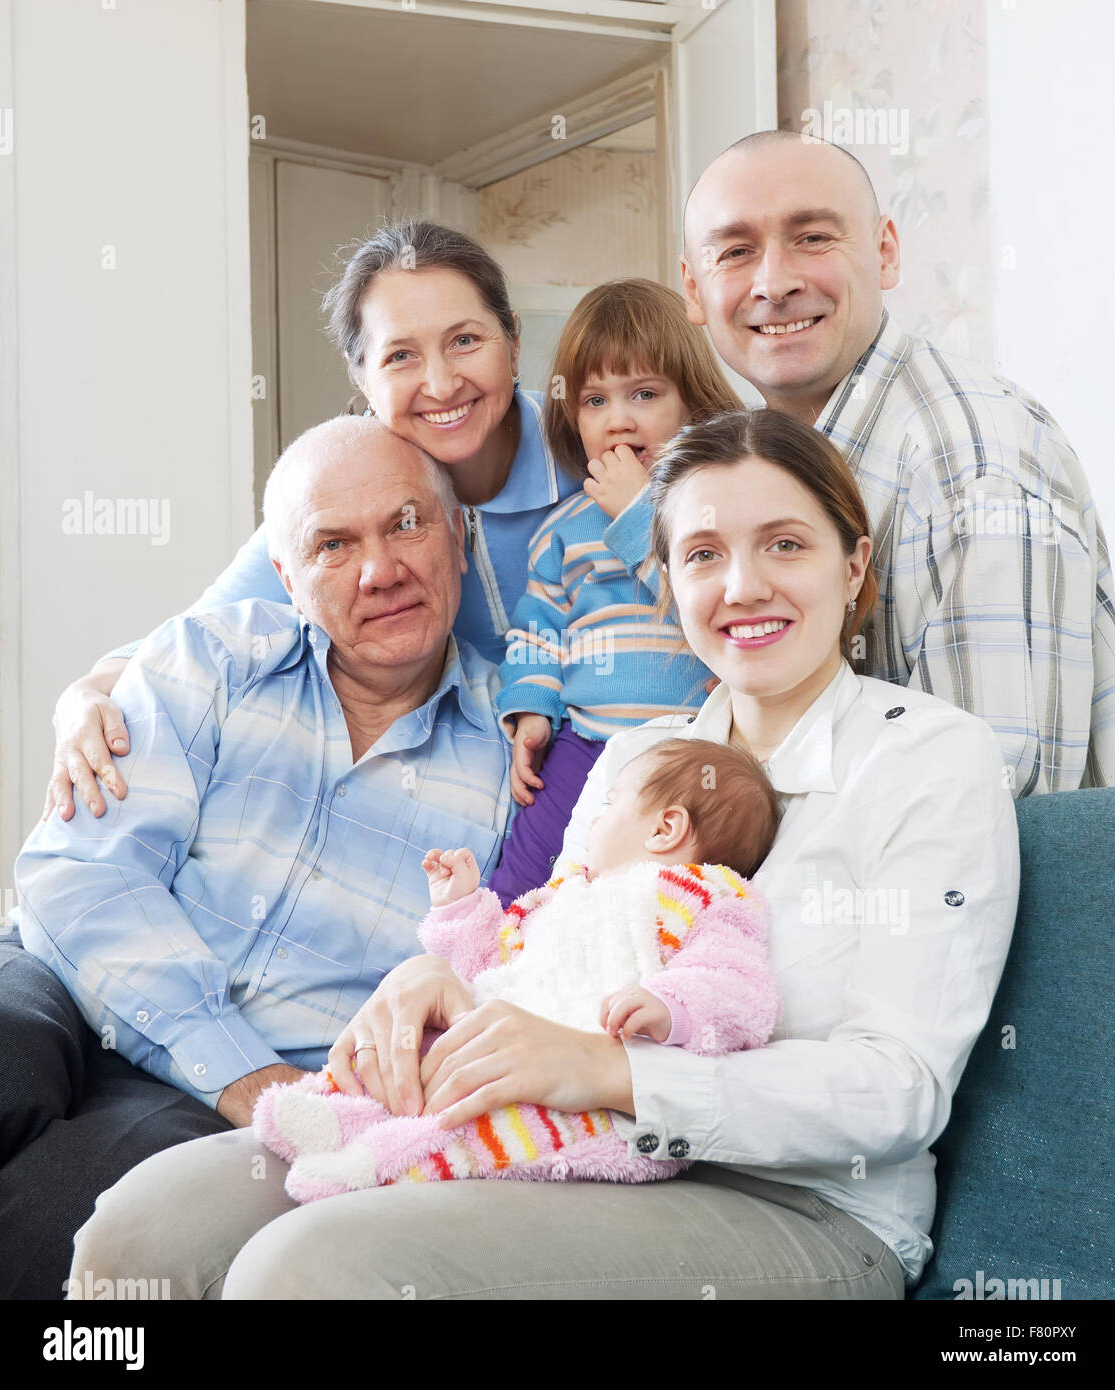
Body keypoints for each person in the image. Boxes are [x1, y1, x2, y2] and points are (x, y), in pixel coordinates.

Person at [69, 408, 1019, 1300]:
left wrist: (607, 1072)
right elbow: (547, 949)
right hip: (552, 1145)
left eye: (784, 544)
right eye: (700, 554)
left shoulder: (928, 759)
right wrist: (436, 979)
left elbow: (898, 1093)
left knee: (309, 1270)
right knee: (147, 1229)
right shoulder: (640, 755)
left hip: (799, 1205)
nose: (741, 588)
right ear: (667, 580)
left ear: (853, 566)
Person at [0, 415, 510, 1298]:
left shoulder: (516, 759)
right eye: (333, 545)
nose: (380, 570)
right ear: (288, 577)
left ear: (458, 537)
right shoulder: (210, 658)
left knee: (61, 1214)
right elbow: (85, 874)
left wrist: (256, 1085)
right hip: (68, 986)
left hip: (252, 1096)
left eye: (406, 525)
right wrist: (234, 1063)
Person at [42, 218, 580, 824]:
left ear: (511, 340)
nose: (440, 382)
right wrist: (80, 697)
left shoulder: (595, 457)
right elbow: (191, 640)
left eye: (465, 341)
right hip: (482, 824)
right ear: (362, 378)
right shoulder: (339, 499)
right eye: (400, 355)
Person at [673, 129, 1115, 793]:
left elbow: (991, 811)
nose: (772, 282)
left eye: (813, 237)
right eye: (735, 252)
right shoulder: (774, 462)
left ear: (884, 252)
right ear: (691, 288)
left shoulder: (965, 465)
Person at [251, 737, 781, 1201]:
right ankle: (333, 1112)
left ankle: (374, 1167)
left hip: (589, 1105)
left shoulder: (704, 895)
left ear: (666, 828)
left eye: (611, 805)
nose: (595, 819)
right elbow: (488, 971)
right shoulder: (562, 896)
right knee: (419, 1060)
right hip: (495, 1042)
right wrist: (460, 910)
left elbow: (739, 988)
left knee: (477, 1126)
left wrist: (672, 1007)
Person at [488, 278, 742, 904]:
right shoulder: (564, 529)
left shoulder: (714, 511)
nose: (618, 418)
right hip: (583, 740)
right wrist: (530, 711)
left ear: (693, 404)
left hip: (688, 747)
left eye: (645, 394)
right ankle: (473, 975)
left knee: (663, 893)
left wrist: (637, 513)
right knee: (526, 879)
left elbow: (707, 607)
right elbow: (537, 628)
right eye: (595, 400)